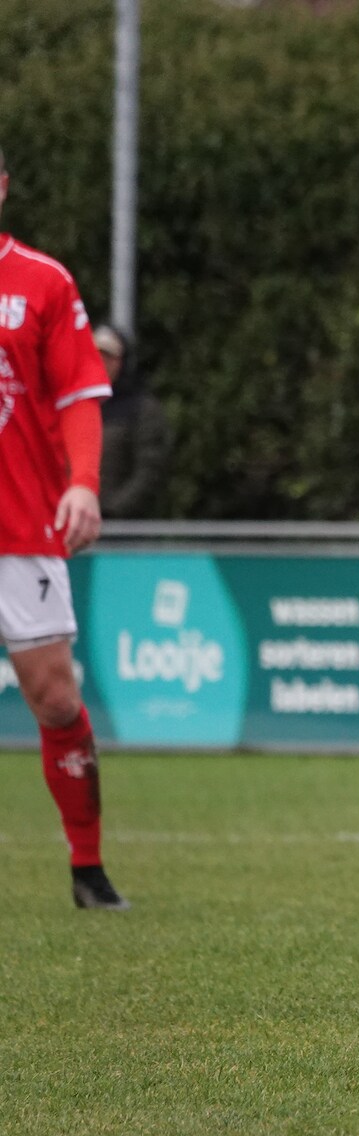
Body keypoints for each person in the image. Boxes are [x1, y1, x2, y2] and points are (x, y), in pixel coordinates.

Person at [0, 144, 129, 910]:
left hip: (21, 528)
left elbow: (79, 395)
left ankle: (87, 865)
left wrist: (83, 485)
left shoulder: (43, 282)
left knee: (53, 699)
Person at [92, 324, 170, 519]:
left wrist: (111, 510)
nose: (100, 362)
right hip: (71, 525)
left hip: (122, 530)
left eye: (108, 356)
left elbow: (150, 471)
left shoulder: (142, 409)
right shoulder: (72, 406)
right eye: (94, 355)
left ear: (122, 361)